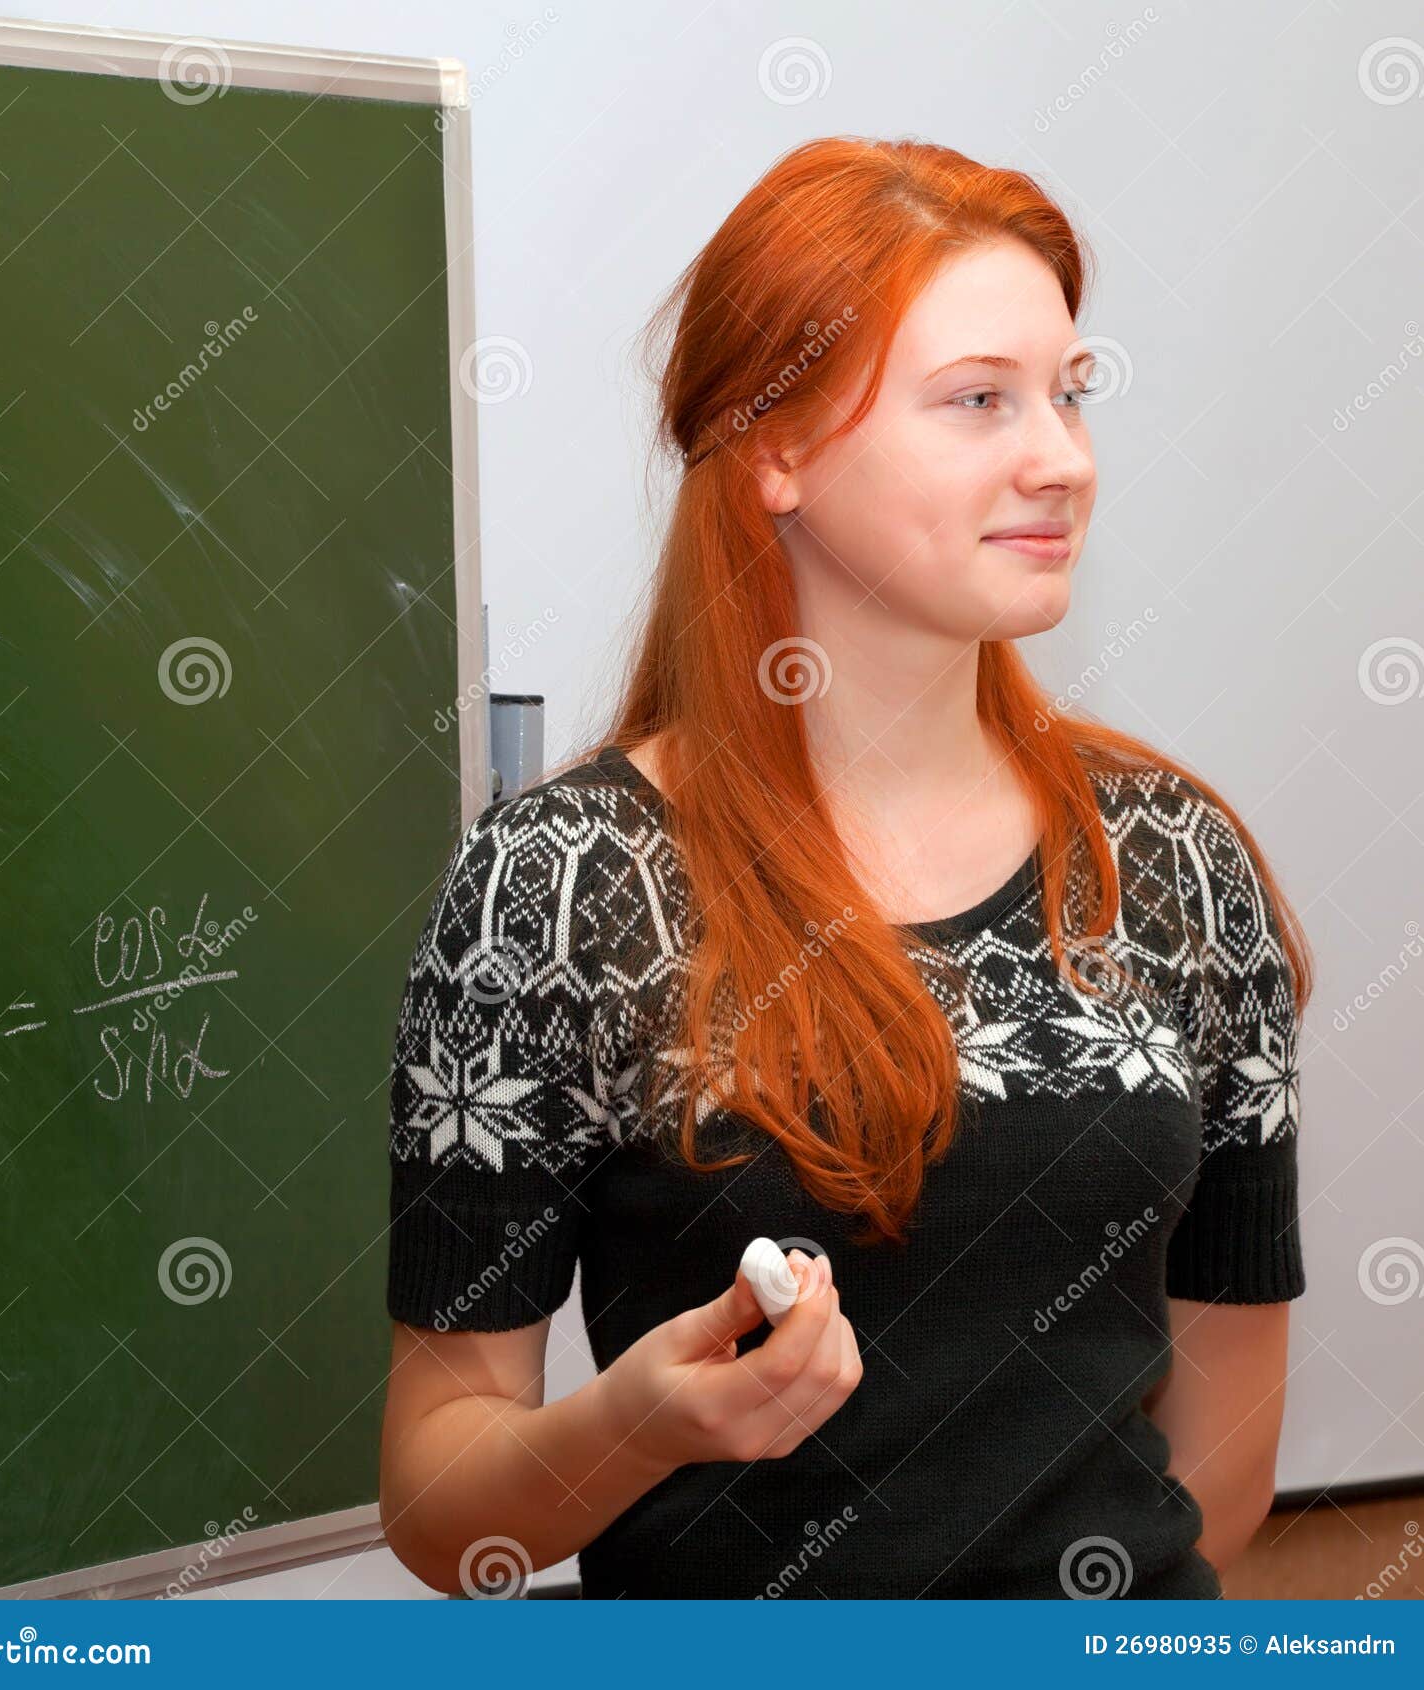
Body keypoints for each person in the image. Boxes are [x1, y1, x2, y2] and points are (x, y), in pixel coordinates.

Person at [378, 135, 1312, 1601]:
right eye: (977, 401)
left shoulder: (1174, 862)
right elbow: (442, 1501)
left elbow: (1226, 1441)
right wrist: (640, 1419)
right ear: (777, 448)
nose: (1060, 456)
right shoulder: (555, 890)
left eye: (1067, 394)